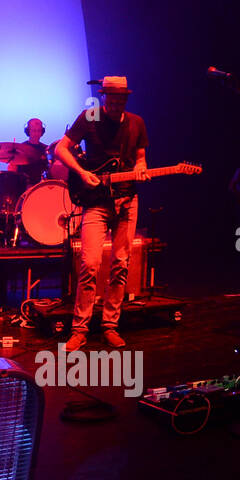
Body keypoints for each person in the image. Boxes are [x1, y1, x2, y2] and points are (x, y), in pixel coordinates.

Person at [54, 76, 148, 352]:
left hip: (127, 200)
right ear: (105, 96)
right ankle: (80, 329)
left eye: (122, 99)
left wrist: (142, 166)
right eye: (113, 98)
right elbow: (61, 149)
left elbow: (141, 156)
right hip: (96, 202)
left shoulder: (136, 123)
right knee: (90, 264)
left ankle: (110, 325)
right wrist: (82, 172)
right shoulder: (90, 117)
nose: (118, 103)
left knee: (120, 263)